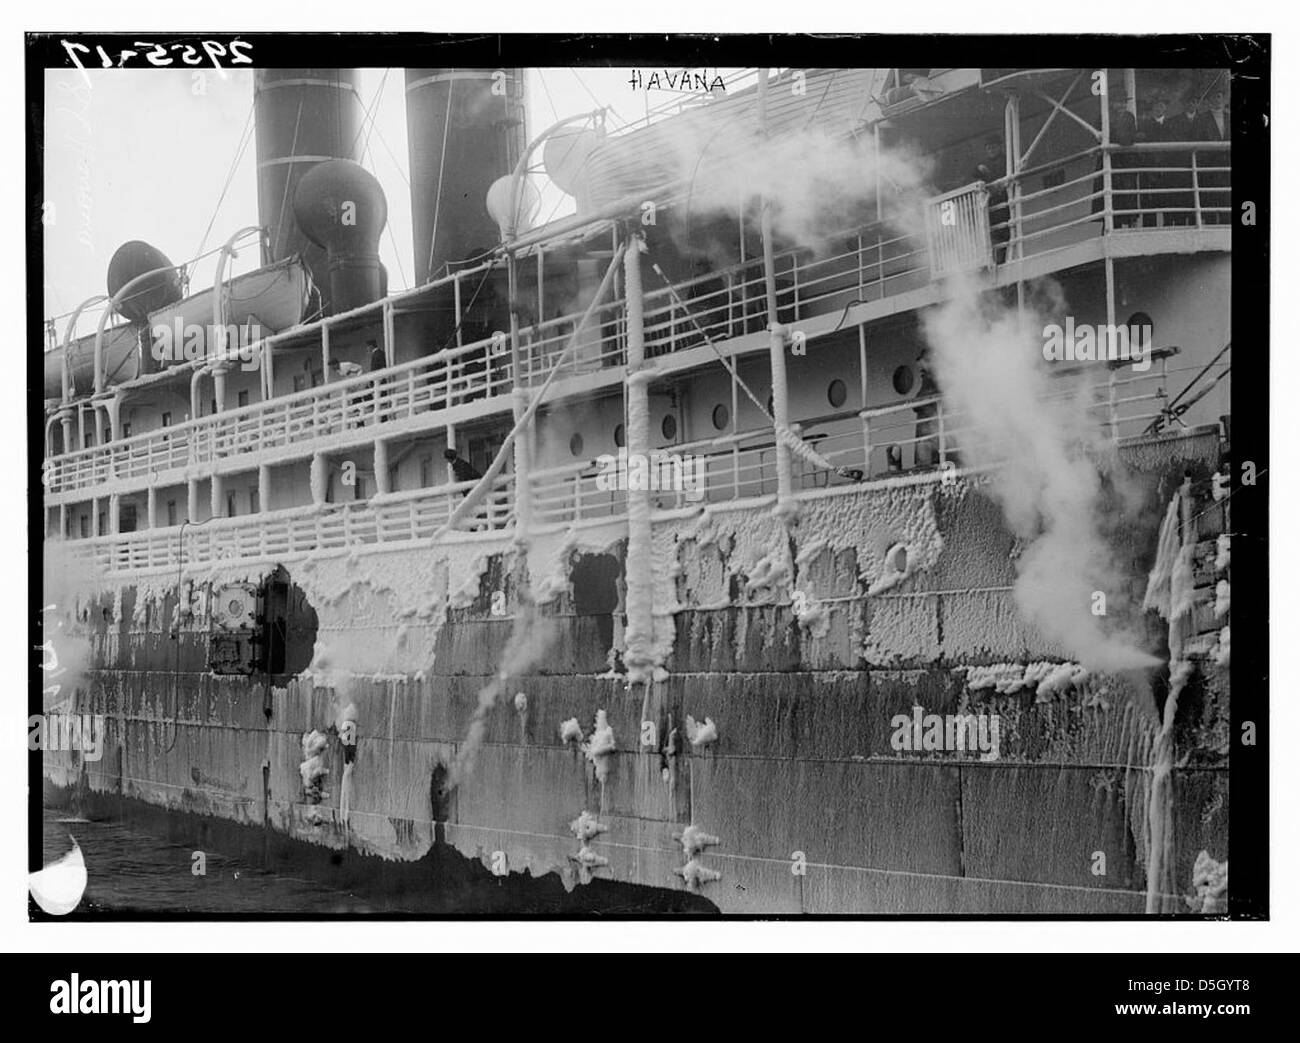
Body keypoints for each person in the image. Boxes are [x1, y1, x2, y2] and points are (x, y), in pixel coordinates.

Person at [1192, 85, 1230, 225]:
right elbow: (1197, 140)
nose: (1217, 100)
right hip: (1210, 165)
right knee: (1211, 201)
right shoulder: (1201, 119)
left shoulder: (1229, 116)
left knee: (1227, 199)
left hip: (1227, 166)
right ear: (1208, 101)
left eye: (1219, 96)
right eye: (1214, 97)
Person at [971, 136, 1010, 263]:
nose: (991, 150)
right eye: (989, 148)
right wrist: (979, 171)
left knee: (1003, 234)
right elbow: (973, 174)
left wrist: (986, 172)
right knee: (993, 235)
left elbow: (1000, 178)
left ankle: (1001, 261)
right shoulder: (985, 163)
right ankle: (995, 260)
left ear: (999, 147)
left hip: (1002, 204)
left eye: (993, 147)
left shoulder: (1005, 161)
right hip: (991, 206)